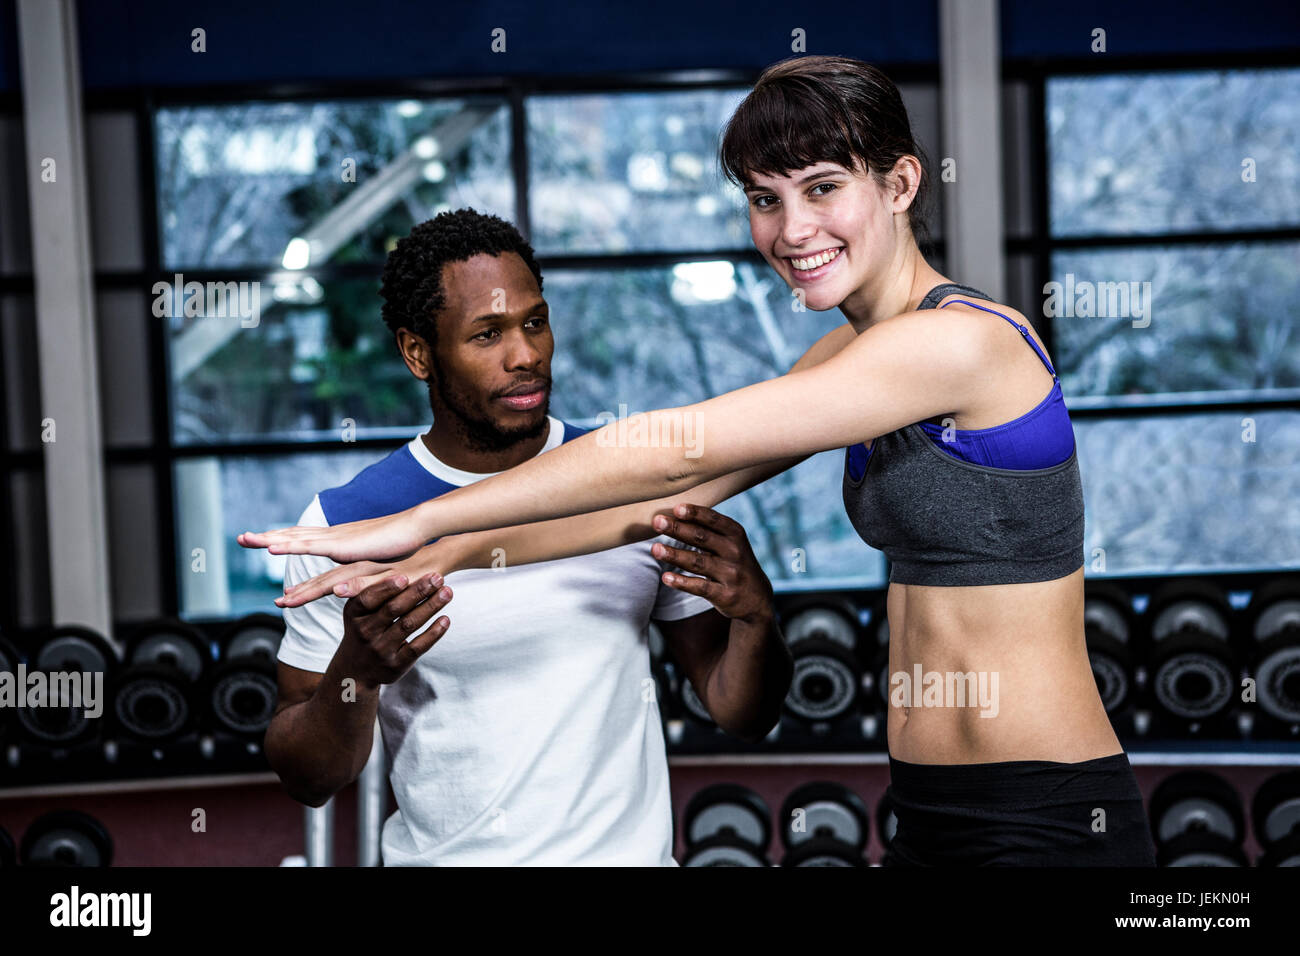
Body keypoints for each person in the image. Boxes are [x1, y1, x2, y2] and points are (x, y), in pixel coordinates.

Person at [248, 56, 1158, 866]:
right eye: (766, 199)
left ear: (901, 183)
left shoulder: (962, 345)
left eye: (822, 188)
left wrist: (425, 517)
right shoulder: (854, 354)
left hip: (1044, 812)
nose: (792, 228)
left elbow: (679, 444)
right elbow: (668, 493)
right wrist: (440, 556)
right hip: (929, 808)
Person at [263, 208, 795, 866]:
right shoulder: (349, 524)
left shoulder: (629, 478)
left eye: (534, 323)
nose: (526, 355)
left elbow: (741, 710)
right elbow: (308, 778)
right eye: (487, 334)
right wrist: (357, 674)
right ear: (418, 353)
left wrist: (755, 616)